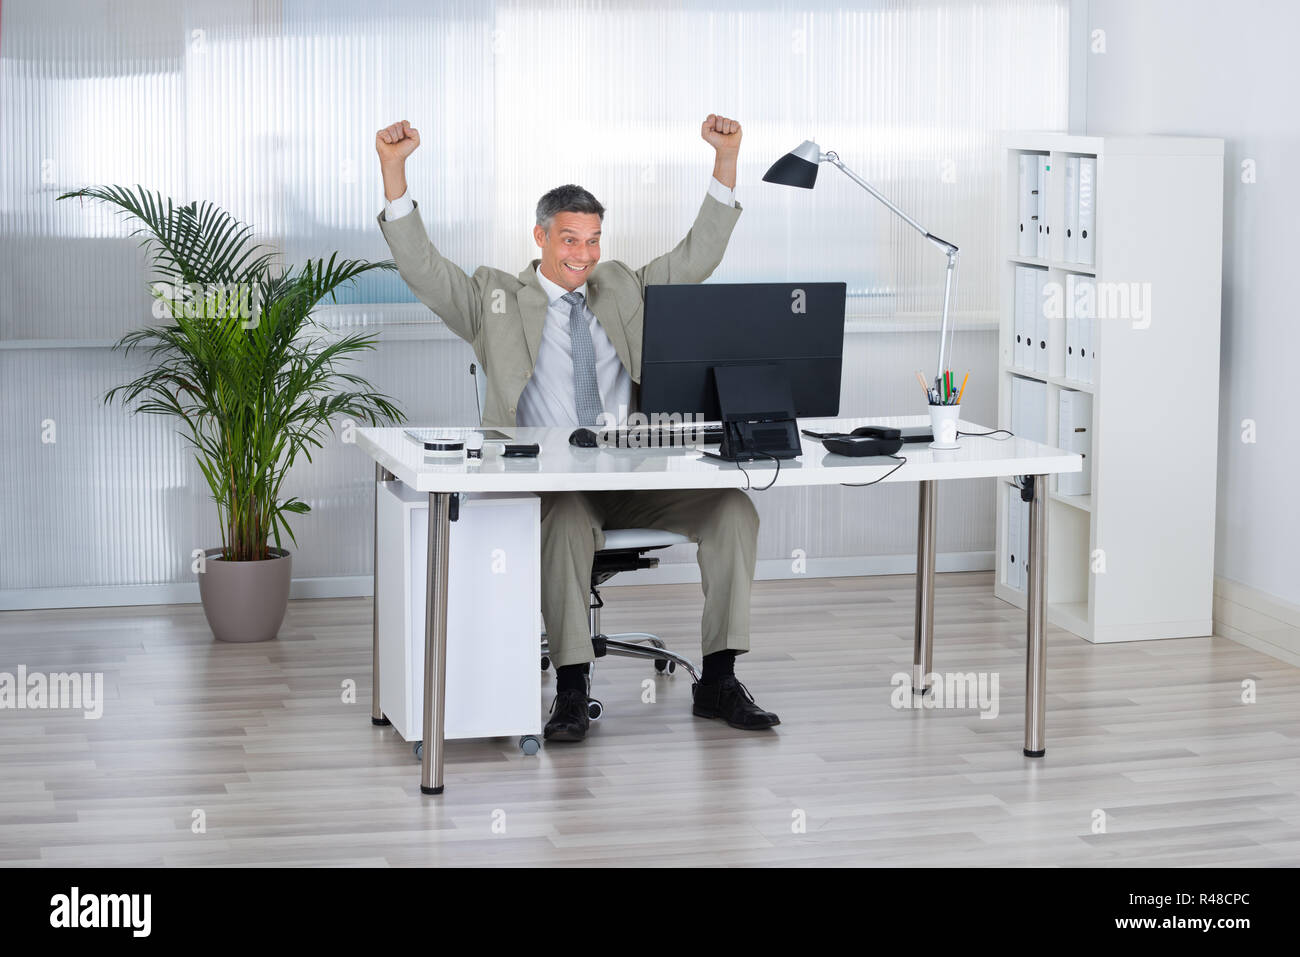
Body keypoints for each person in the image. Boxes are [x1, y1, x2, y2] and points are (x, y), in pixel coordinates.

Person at [374, 114, 779, 742]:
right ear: (540, 236)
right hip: (552, 487)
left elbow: (697, 255)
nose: (583, 255)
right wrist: (395, 174)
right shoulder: (494, 298)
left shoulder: (621, 287)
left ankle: (719, 679)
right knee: (564, 519)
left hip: (634, 474)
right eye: (569, 240)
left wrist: (725, 161)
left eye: (592, 240)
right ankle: (570, 688)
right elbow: (424, 270)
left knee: (733, 510)